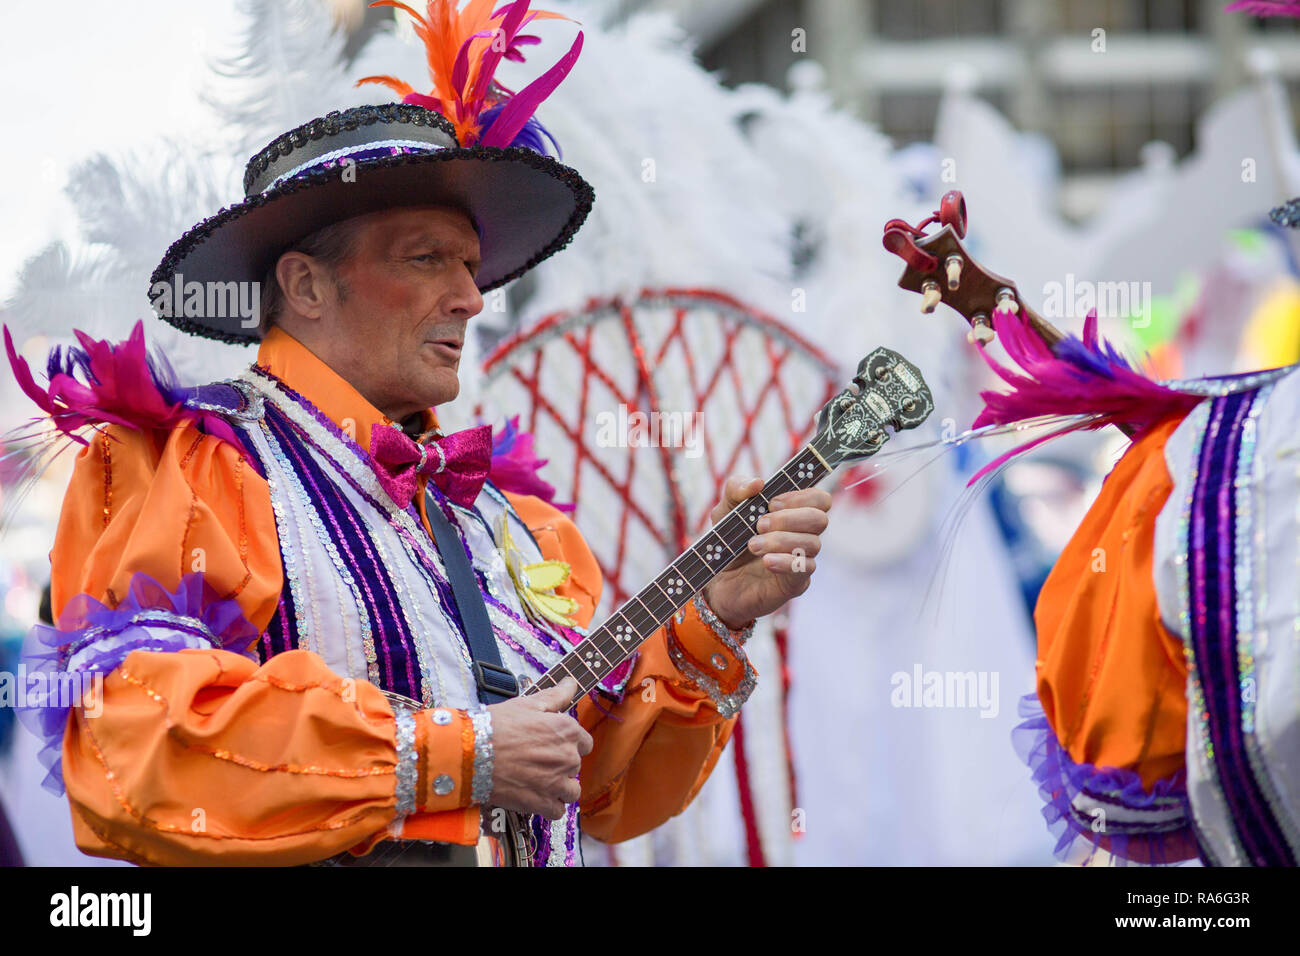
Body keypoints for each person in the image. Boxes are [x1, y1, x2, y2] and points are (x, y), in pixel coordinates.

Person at [8, 1, 831, 866]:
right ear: (308, 285)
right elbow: (133, 740)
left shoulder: (509, 518)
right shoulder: (195, 462)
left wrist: (713, 620)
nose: (472, 298)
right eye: (426, 258)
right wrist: (459, 754)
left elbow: (601, 791)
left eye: (471, 266)